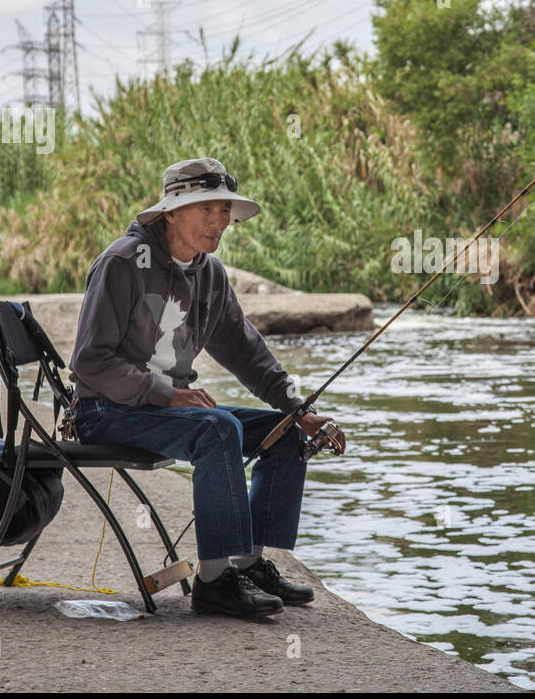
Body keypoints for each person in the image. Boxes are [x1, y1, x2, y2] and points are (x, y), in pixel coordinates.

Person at [67, 157, 346, 619]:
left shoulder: (210, 274)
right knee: (217, 429)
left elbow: (247, 352)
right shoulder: (122, 262)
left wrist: (297, 410)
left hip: (165, 410)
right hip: (105, 410)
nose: (219, 223)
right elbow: (90, 363)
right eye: (207, 209)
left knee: (287, 432)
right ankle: (215, 583)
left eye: (224, 213)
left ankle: (249, 564)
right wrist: (165, 393)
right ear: (171, 211)